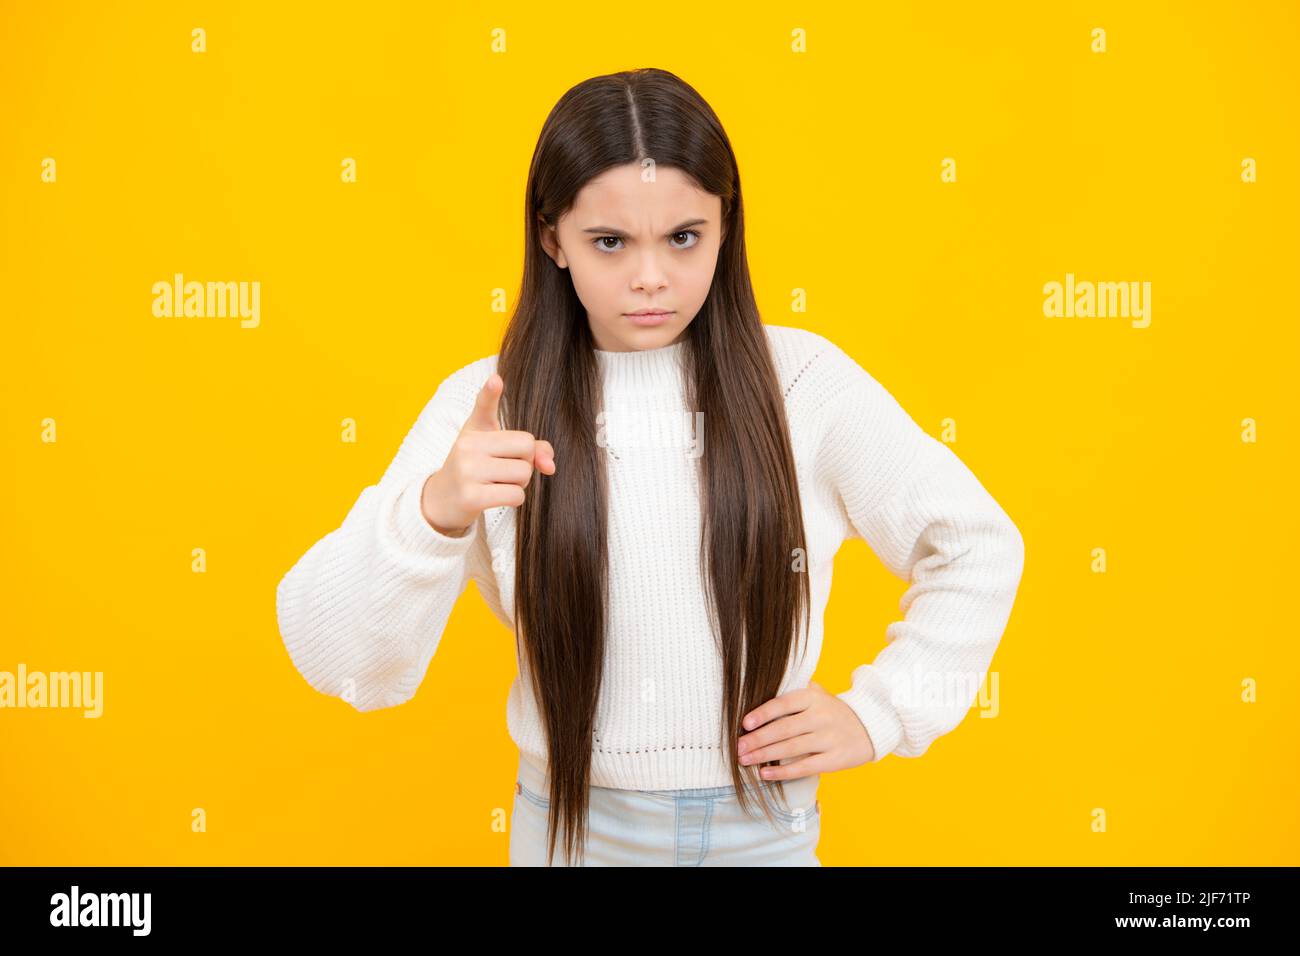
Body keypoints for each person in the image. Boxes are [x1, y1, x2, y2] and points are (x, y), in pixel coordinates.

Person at [275, 67, 1025, 867]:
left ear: (725, 228)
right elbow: (338, 662)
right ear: (550, 236)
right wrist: (433, 512)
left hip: (763, 833)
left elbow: (979, 543)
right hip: (570, 833)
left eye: (683, 237)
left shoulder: (802, 384)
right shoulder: (490, 404)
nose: (650, 278)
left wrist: (882, 715)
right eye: (609, 241)